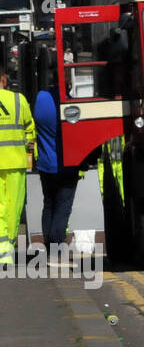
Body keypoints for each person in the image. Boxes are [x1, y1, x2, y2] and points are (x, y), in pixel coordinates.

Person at [35, 83, 81, 257]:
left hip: (45, 163)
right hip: (67, 164)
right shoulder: (68, 104)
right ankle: (56, 246)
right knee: (62, 207)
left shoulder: (40, 99)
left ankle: (49, 245)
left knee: (49, 205)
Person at [0, 82, 36, 265]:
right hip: (15, 162)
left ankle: (2, 248)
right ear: (4, 80)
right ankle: (7, 249)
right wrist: (27, 146)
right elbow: (30, 130)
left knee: (1, 207)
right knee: (13, 208)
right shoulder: (18, 99)